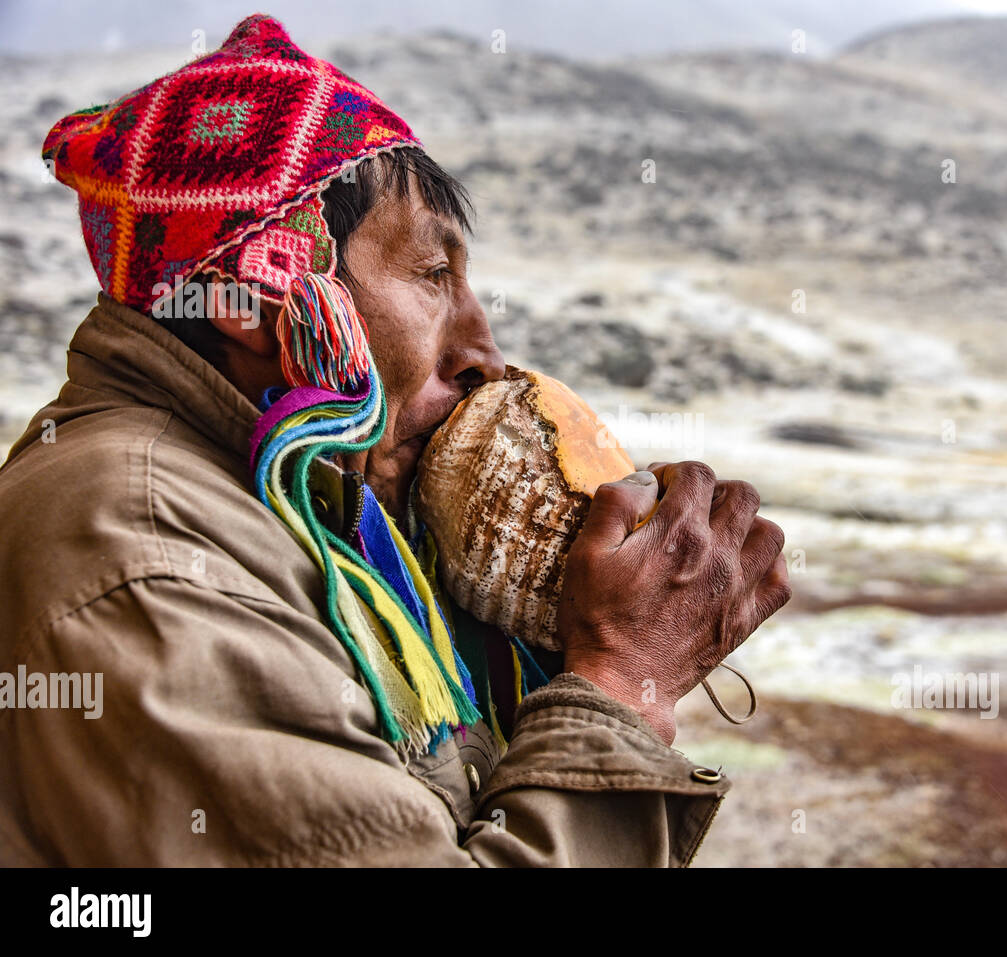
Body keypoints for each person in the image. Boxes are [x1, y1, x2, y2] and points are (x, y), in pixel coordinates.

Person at [0, 14, 789, 866]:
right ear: (250, 295)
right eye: (432, 275)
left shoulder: (318, 512)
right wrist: (620, 679)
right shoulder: (141, 555)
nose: (483, 352)